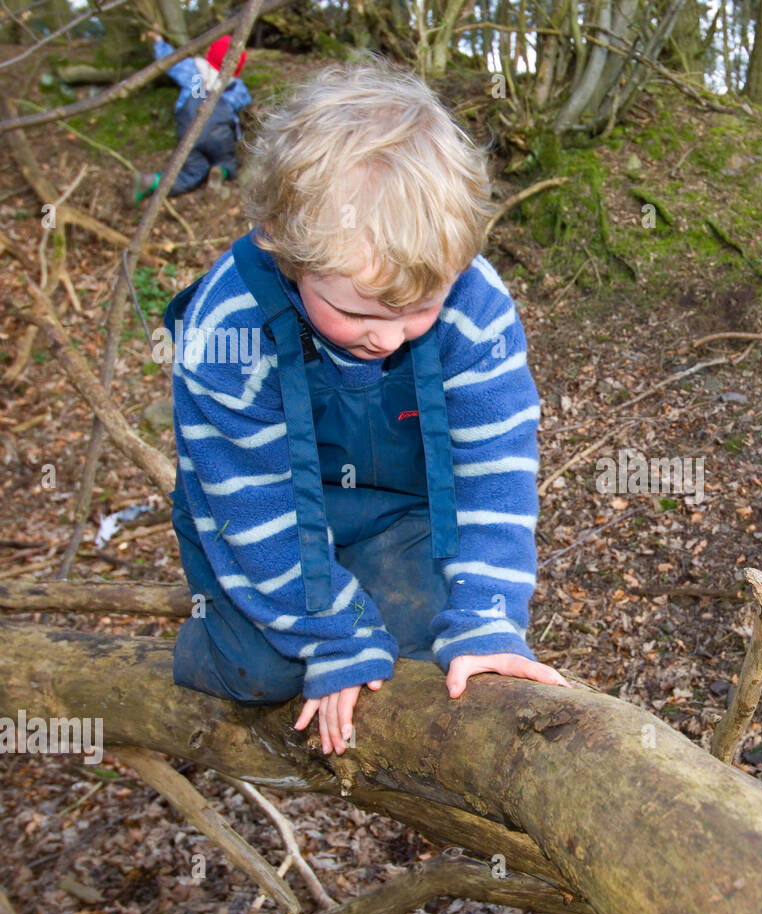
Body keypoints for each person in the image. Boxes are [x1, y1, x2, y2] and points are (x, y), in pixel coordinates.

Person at [162, 60, 568, 754]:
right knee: (269, 669)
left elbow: (493, 472)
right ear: (281, 248)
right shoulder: (228, 332)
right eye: (356, 313)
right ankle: (209, 643)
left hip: (397, 509)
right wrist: (332, 632)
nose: (387, 337)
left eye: (419, 310)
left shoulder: (474, 307)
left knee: (418, 648)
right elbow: (252, 509)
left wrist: (487, 618)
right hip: (256, 513)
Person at [133, 31, 252, 201]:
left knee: (193, 171)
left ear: (209, 53)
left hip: (190, 132)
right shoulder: (236, 87)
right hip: (220, 135)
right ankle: (220, 171)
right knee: (227, 160)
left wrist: (159, 41)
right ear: (237, 67)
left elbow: (168, 61)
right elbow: (245, 100)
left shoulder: (193, 71)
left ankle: (151, 181)